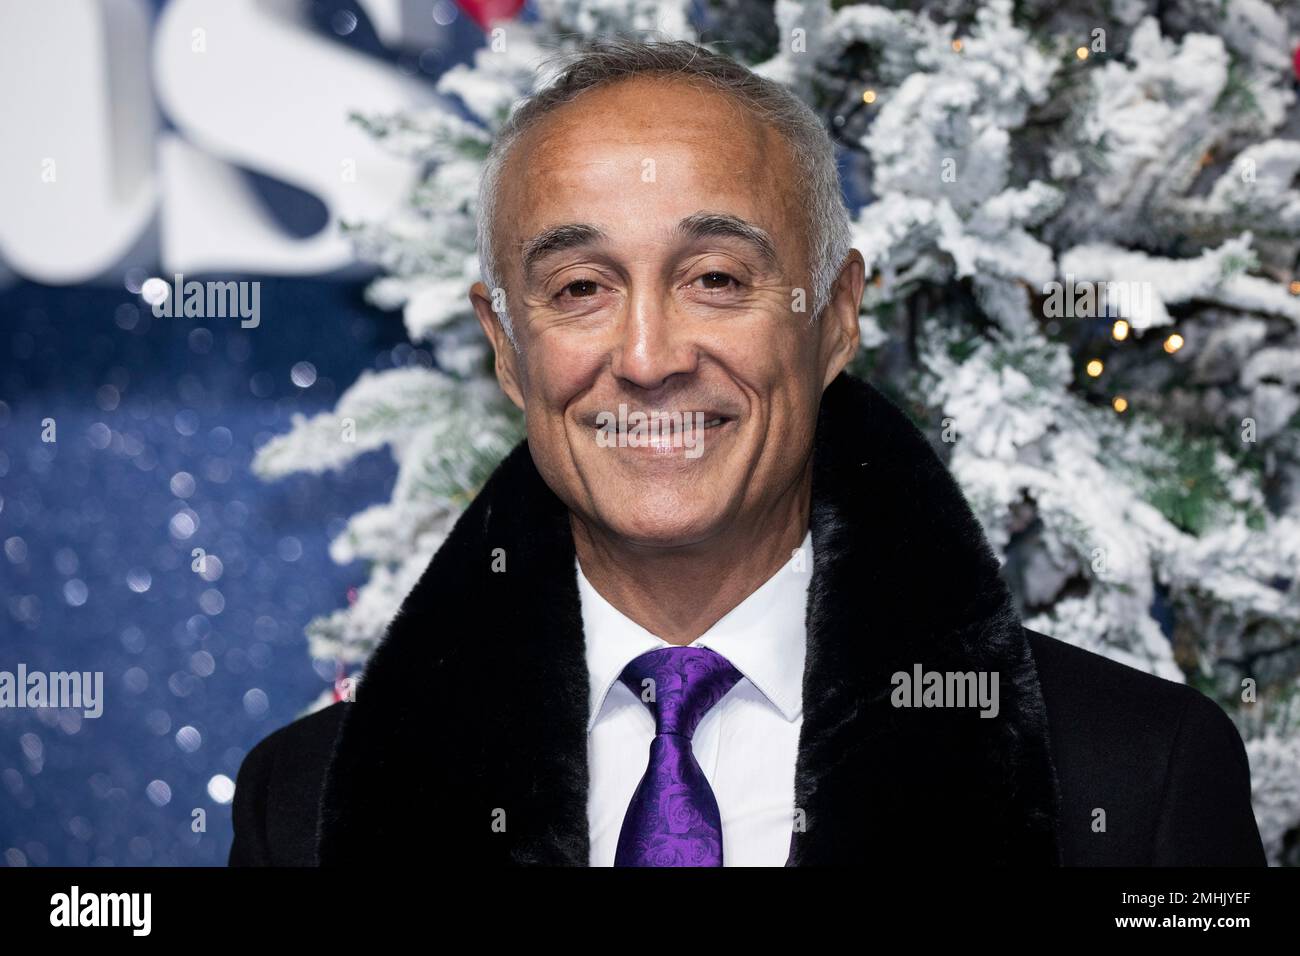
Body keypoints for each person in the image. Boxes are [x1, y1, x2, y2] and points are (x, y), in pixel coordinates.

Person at [229, 37, 1265, 867]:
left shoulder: (1134, 772)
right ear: (505, 345)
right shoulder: (308, 803)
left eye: (716, 278)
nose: (647, 358)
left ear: (837, 316)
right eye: (581, 287)